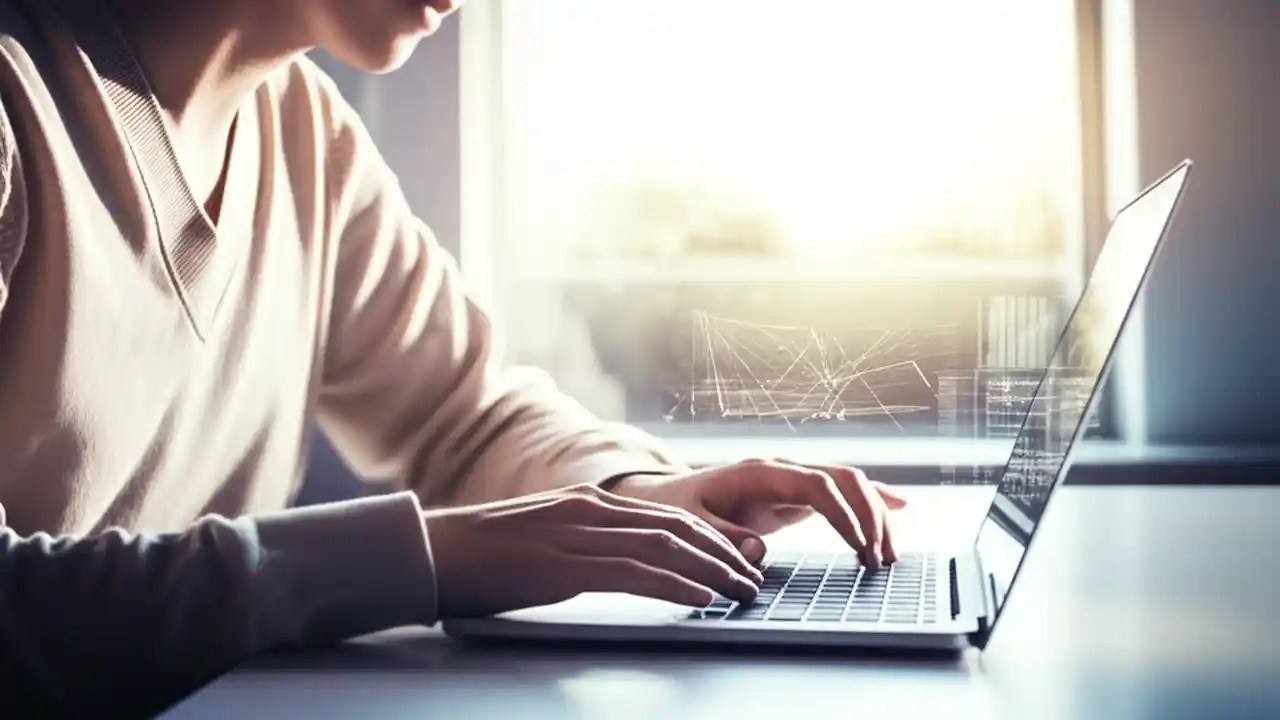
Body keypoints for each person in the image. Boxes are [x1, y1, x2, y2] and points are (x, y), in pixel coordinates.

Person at [0, 0, 906, 715]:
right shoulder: (16, 104)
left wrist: (638, 497)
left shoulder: (304, 132)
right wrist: (430, 560)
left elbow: (463, 414)